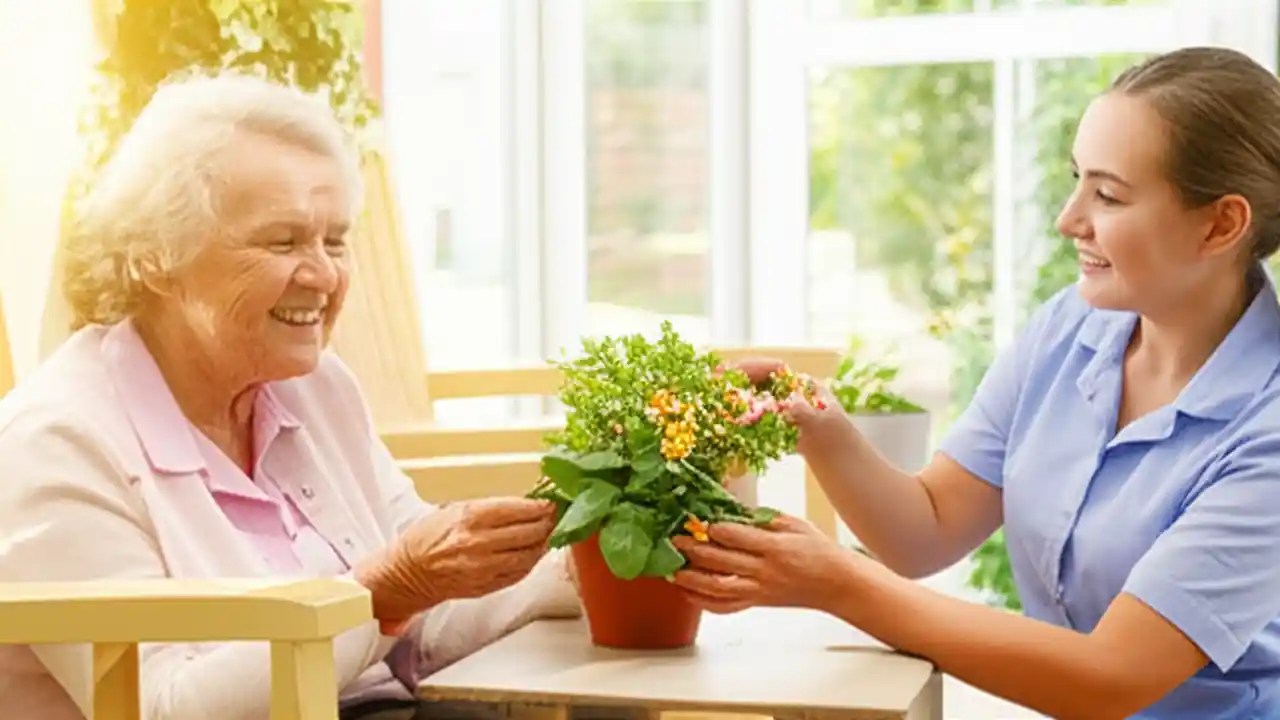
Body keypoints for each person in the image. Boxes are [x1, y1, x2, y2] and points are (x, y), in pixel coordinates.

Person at [672, 46, 1280, 719]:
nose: (1068, 218)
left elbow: (1110, 679)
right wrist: (818, 422)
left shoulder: (1268, 432)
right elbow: (925, 530)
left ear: (1221, 223)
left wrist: (839, 583)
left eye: (1107, 195)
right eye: (1076, 179)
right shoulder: (1068, 329)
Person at [0, 73, 578, 720]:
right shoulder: (53, 443)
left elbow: (430, 610)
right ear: (157, 257)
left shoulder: (316, 388)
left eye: (335, 240)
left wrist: (602, 566)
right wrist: (385, 590)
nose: (325, 274)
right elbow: (159, 708)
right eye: (283, 241)